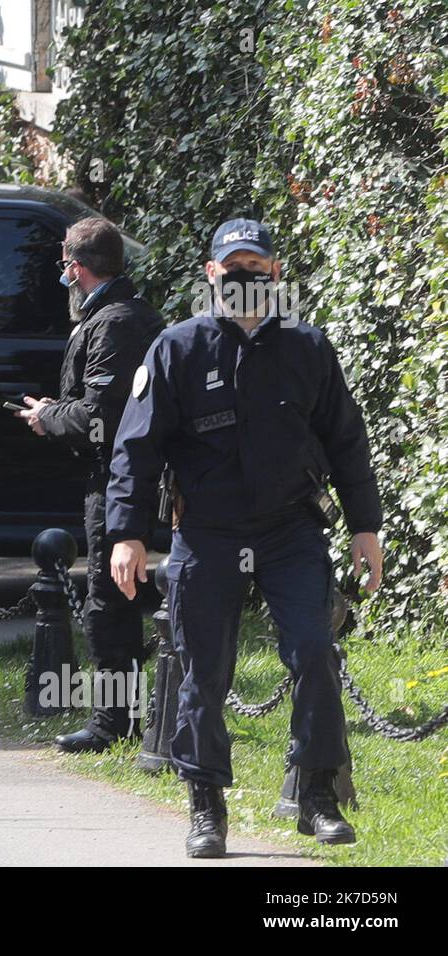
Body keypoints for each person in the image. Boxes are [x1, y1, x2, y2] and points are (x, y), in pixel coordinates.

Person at [107, 217, 382, 857]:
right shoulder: (177, 348)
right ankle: (206, 807)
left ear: (276, 273)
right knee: (202, 674)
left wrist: (365, 525)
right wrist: (126, 534)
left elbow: (347, 442)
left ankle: (316, 797)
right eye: (232, 269)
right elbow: (135, 451)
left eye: (256, 269)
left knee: (315, 652)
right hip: (207, 530)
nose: (245, 279)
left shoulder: (308, 349)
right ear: (211, 274)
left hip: (291, 529)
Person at [15, 217, 164, 752]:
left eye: (64, 267)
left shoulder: (114, 323)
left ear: (75, 267)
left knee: (108, 599)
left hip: (118, 479)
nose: (64, 277)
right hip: (124, 474)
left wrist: (51, 417)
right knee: (117, 595)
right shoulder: (122, 314)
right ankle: (127, 713)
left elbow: (103, 415)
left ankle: (113, 721)